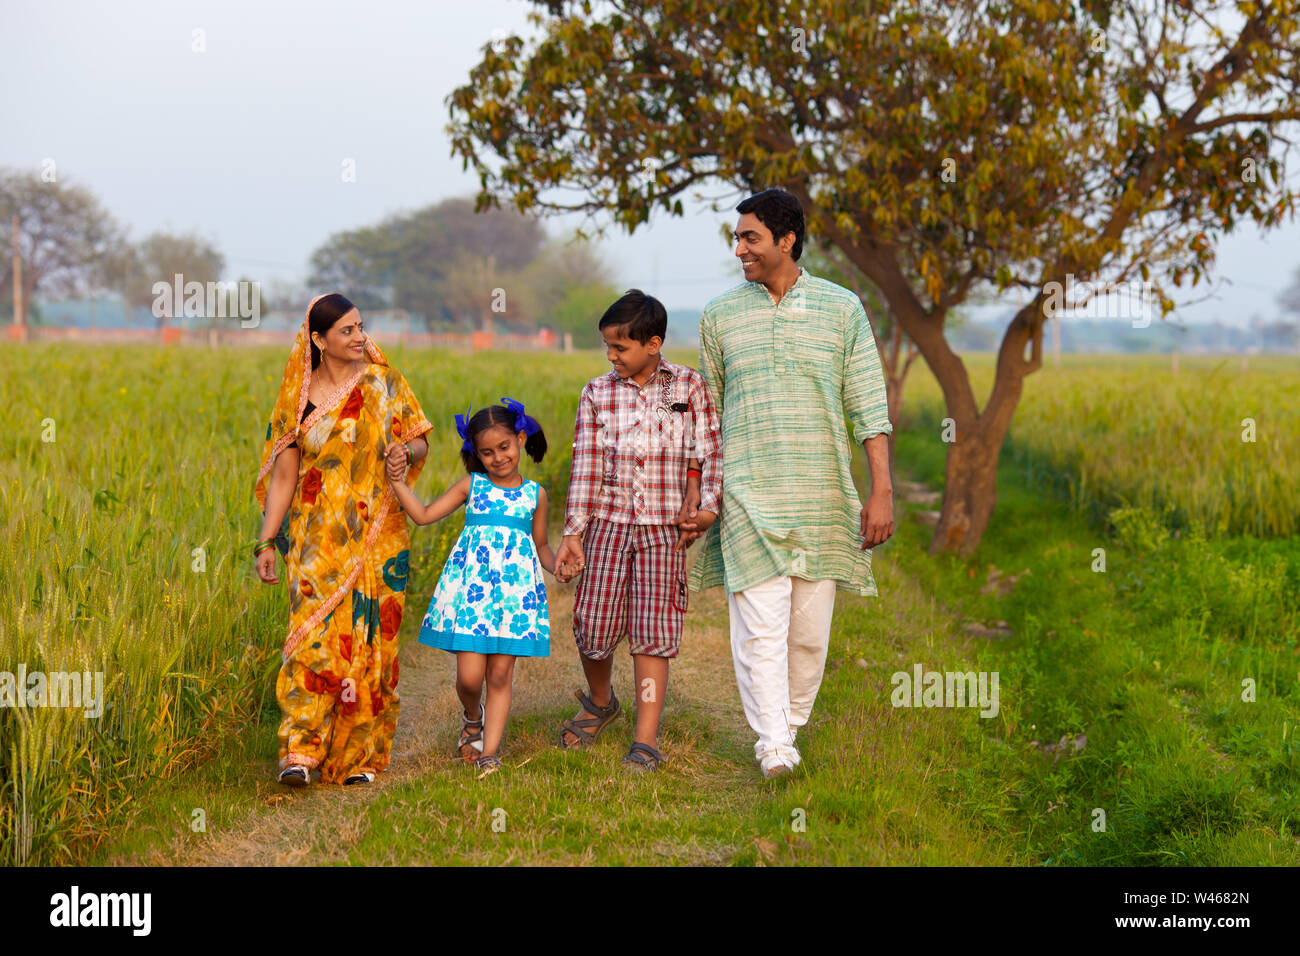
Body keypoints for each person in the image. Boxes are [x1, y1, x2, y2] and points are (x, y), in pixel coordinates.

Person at [689, 188, 896, 779]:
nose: (739, 250)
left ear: (787, 240)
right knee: (761, 629)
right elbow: (710, 417)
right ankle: (774, 744)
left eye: (750, 237)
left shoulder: (841, 309)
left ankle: (789, 724)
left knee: (807, 638)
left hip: (823, 494)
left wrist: (880, 491)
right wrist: (702, 497)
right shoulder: (720, 315)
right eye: (737, 238)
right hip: (749, 493)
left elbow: (868, 405)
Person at [254, 292, 432, 787]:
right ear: (318, 340)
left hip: (379, 535)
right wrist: (266, 542)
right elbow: (284, 479)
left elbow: (420, 439)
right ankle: (300, 751)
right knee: (311, 641)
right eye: (347, 331)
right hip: (315, 542)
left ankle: (357, 756)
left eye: (360, 327)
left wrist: (404, 450)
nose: (360, 337)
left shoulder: (385, 383)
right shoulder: (298, 400)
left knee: (370, 641)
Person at [552, 289, 723, 772]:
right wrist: (573, 532)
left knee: (653, 631)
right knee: (592, 624)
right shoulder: (597, 392)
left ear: (653, 343)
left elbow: (708, 451)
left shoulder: (686, 388)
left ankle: (645, 739)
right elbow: (585, 465)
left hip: (663, 530)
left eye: (620, 348)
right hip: (607, 523)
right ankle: (601, 702)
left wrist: (706, 508)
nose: (611, 356)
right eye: (607, 347)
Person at [387, 399, 556, 778]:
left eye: (505, 447)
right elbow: (425, 515)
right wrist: (397, 483)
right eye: (487, 452)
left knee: (499, 677)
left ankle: (490, 752)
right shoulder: (472, 485)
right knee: (469, 678)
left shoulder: (535, 495)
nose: (498, 458)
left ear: (520, 439)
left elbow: (542, 546)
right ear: (475, 454)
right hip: (471, 598)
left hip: (514, 601)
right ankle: (472, 715)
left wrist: (559, 564)